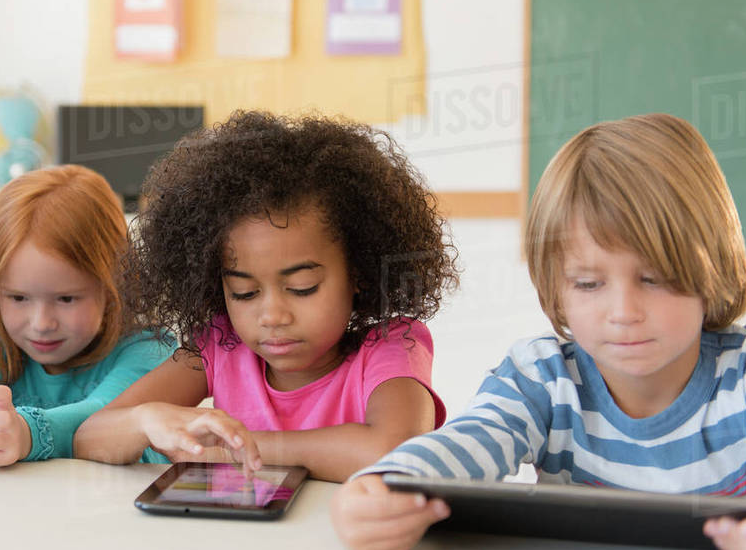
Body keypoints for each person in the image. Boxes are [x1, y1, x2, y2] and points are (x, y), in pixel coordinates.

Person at [330, 113, 746, 550]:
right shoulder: (541, 376)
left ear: (711, 268)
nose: (623, 311)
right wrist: (381, 488)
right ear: (556, 290)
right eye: (588, 283)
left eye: (654, 278)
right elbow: (466, 444)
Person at [73, 111, 458, 481]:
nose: (272, 315)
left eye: (302, 287)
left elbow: (396, 453)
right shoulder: (220, 349)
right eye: (244, 292)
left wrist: (244, 447)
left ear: (358, 272)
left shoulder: (392, 347)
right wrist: (145, 421)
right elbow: (90, 437)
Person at [0, 165, 174, 466]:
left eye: (66, 298)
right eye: (18, 298)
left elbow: (105, 417)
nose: (42, 323)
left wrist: (26, 432)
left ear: (116, 285)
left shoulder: (152, 351)